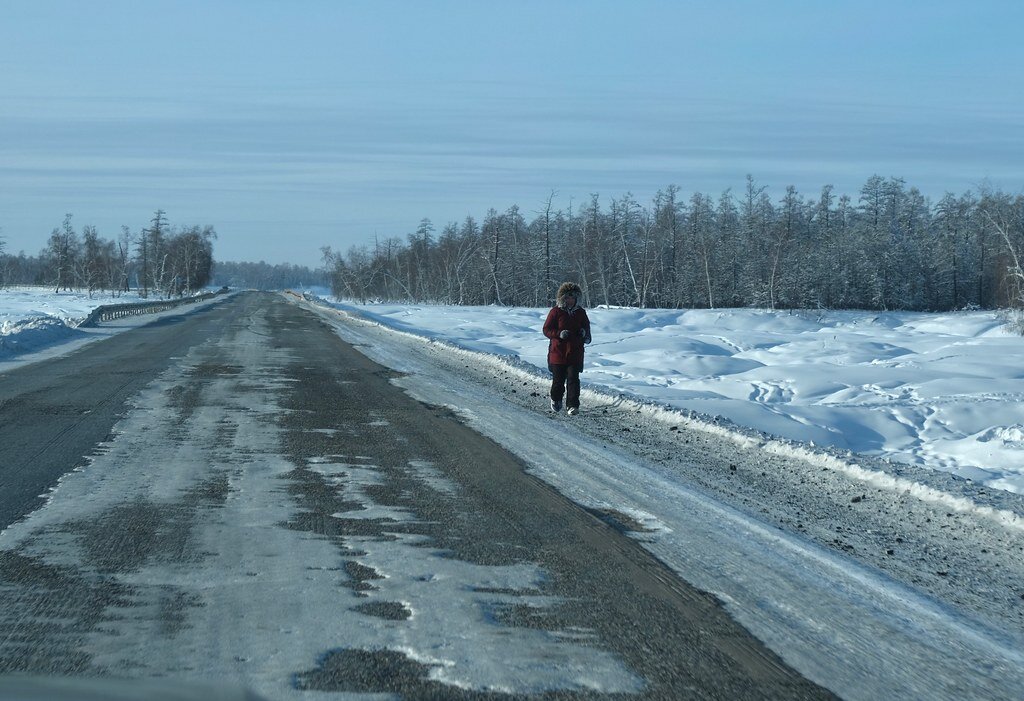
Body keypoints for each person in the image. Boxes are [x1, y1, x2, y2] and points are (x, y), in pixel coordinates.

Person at [543, 282, 592, 415]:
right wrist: (559, 334)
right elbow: (546, 330)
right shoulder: (555, 312)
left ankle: (572, 405)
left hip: (575, 353)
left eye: (573, 298)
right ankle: (556, 398)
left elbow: (587, 328)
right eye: (568, 298)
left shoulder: (581, 312)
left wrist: (585, 335)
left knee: (573, 379)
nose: (570, 300)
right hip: (558, 353)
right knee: (558, 381)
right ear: (563, 298)